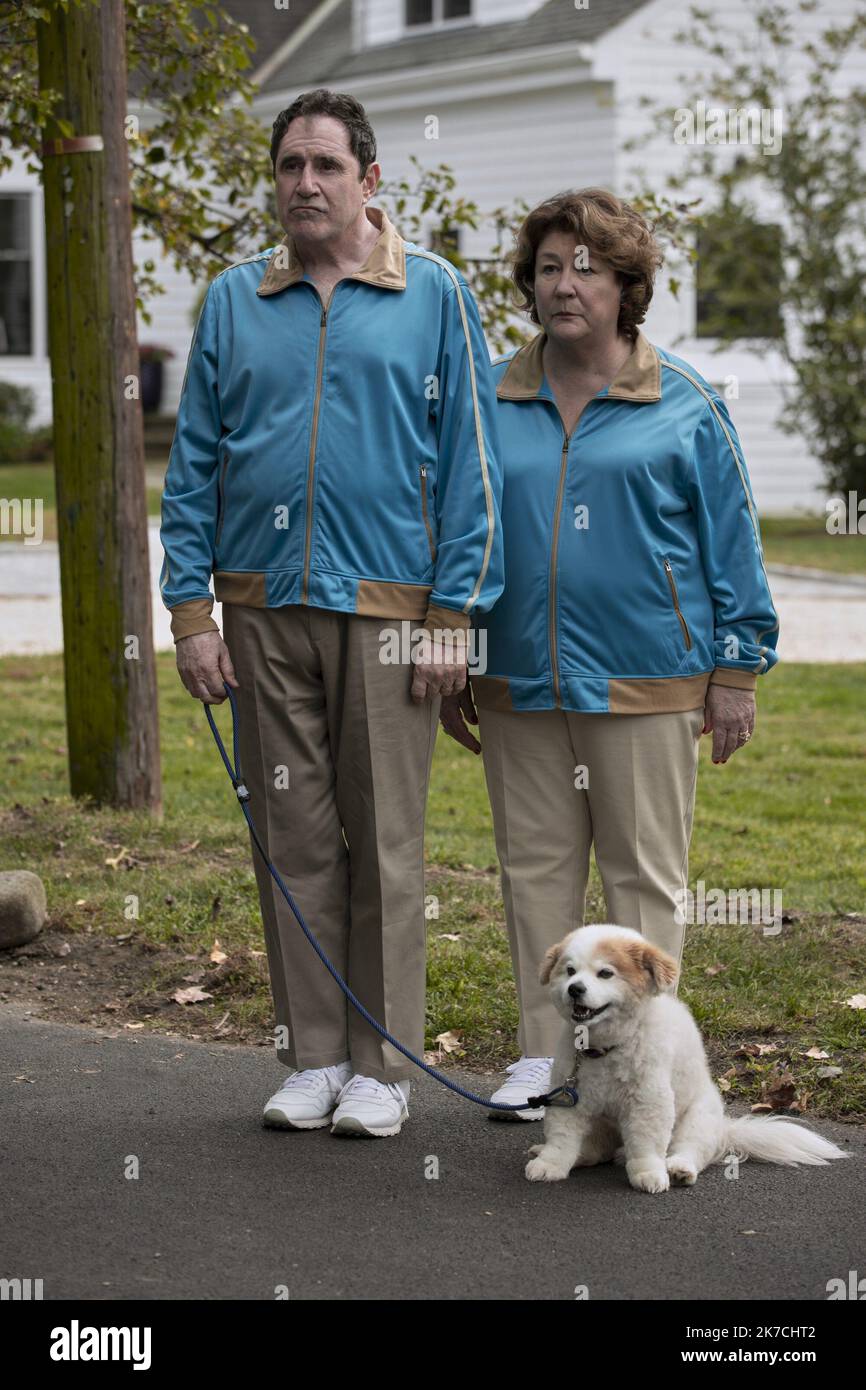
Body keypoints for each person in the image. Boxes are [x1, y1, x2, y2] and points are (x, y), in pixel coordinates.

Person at [159, 89, 503, 1138]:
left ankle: (384, 1064)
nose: (304, 184)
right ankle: (312, 1057)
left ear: (369, 178)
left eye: (325, 166)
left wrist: (454, 613)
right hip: (260, 611)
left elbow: (472, 465)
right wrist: (189, 609)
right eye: (289, 167)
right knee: (292, 839)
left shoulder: (433, 293)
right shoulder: (231, 299)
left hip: (393, 611)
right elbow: (194, 465)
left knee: (386, 845)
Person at [439, 188, 779, 1120]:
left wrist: (738, 668)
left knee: (641, 890)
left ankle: (644, 1079)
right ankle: (547, 1065)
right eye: (548, 267)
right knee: (535, 880)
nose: (564, 284)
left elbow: (733, 542)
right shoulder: (490, 398)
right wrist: (457, 647)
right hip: (517, 682)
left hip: (651, 681)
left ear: (627, 286)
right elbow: (458, 532)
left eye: (586, 267)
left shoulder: (686, 404)